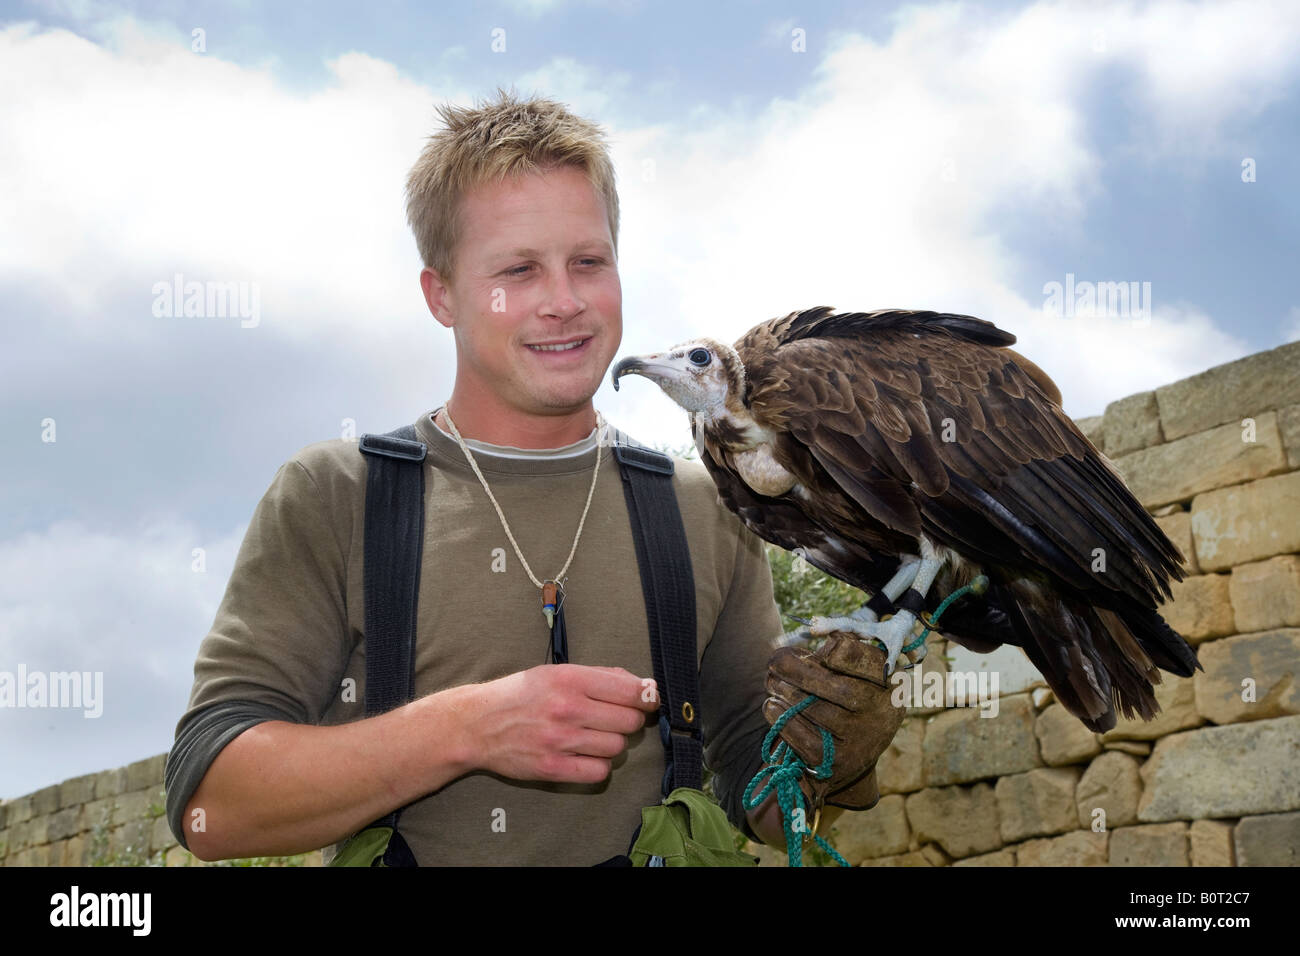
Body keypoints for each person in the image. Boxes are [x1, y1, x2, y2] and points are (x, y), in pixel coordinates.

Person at [164, 88, 899, 865]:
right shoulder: (336, 494)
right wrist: (468, 728)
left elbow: (762, 795)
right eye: (518, 270)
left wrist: (832, 757)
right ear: (440, 294)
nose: (564, 302)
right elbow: (213, 804)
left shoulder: (706, 507)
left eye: (590, 262)